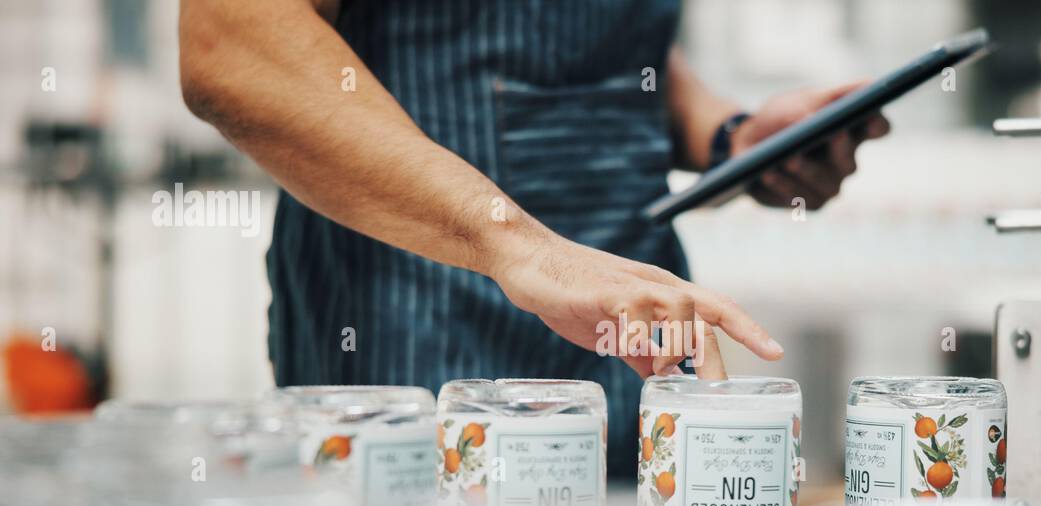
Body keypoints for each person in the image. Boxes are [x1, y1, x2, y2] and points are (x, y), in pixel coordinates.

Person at [178, 0, 888, 478]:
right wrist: (520, 247)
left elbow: (595, 46)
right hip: (412, 336)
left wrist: (730, 136)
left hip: (628, 349)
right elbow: (233, 43)